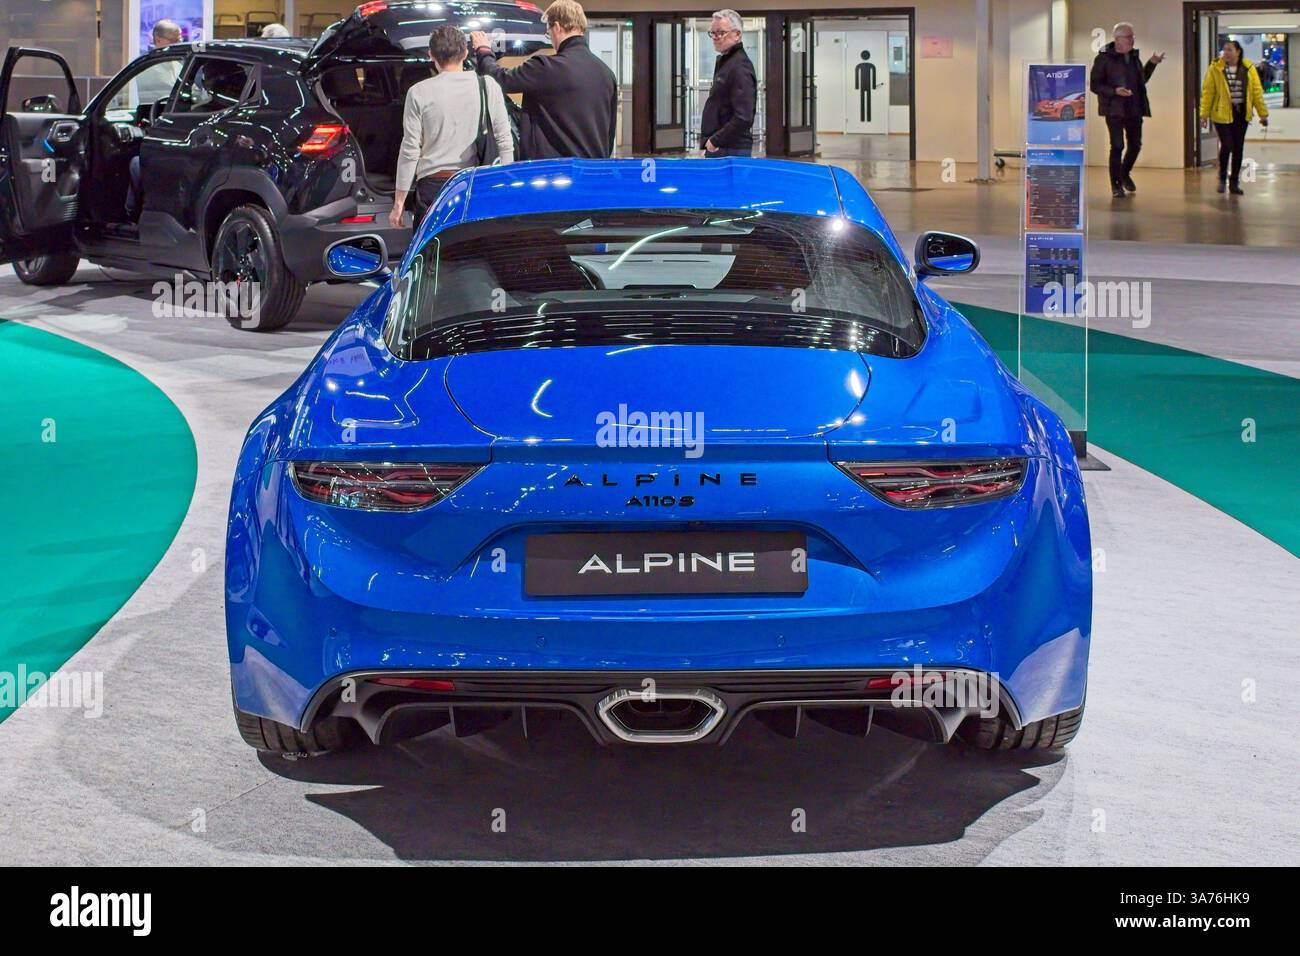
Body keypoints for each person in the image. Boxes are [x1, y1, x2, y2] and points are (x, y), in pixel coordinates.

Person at [389, 26, 514, 229]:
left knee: (433, 255)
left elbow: (410, 150)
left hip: (432, 190)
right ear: (465, 53)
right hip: (475, 186)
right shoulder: (488, 86)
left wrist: (399, 202)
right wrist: (506, 186)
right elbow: (504, 140)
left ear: (431, 55)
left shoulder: (418, 92)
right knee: (473, 250)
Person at [468, 1, 616, 159]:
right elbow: (609, 134)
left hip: (552, 173)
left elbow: (499, 79)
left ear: (557, 27)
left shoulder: (546, 67)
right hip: (591, 172)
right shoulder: (607, 74)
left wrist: (483, 50)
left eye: (549, 32)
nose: (550, 38)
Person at [1090, 22, 1164, 198]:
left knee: (1135, 145)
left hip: (1134, 108)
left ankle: (1124, 173)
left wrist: (1152, 64)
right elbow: (1095, 85)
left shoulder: (1133, 57)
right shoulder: (1104, 58)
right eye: (1129, 37)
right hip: (1114, 109)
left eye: (1133, 36)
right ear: (1118, 39)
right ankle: (1116, 185)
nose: (1133, 40)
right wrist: (1114, 91)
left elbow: (1141, 79)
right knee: (1117, 146)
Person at [127, 21, 185, 219]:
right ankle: (134, 214)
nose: (180, 43)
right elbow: (173, 91)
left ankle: (136, 213)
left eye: (181, 39)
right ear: (159, 40)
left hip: (177, 131)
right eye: (175, 40)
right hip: (160, 128)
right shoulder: (150, 67)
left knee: (137, 164)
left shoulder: (178, 64)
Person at [1200, 39, 1269, 196]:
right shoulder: (1215, 68)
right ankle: (1222, 179)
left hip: (1241, 115)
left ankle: (1234, 182)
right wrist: (1204, 114)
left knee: (1238, 148)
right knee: (1227, 145)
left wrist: (1262, 114)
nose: (1226, 53)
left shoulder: (1248, 68)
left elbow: (1256, 92)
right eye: (1224, 50)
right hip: (1221, 114)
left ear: (1238, 51)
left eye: (1230, 49)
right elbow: (1208, 92)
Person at [700, 9, 757, 157]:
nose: (716, 37)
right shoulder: (726, 62)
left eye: (721, 33)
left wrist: (714, 141)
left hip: (731, 148)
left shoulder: (739, 66)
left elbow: (743, 117)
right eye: (713, 33)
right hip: (721, 146)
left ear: (737, 34)